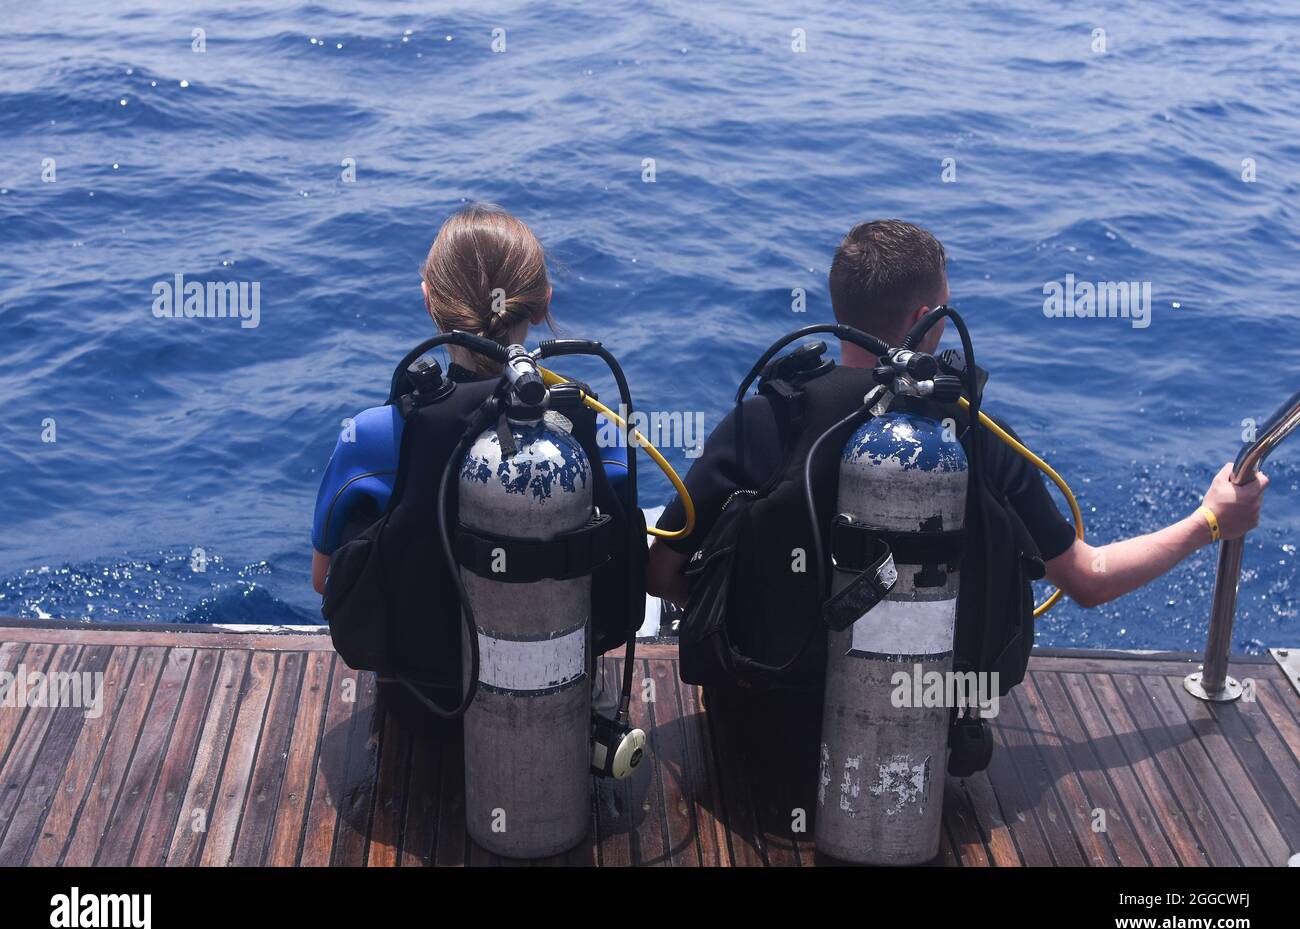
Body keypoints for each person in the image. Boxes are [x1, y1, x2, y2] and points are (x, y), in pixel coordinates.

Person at [645, 219, 1268, 800]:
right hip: (916, 753)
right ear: (927, 318)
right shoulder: (975, 436)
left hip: (760, 741)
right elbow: (1090, 578)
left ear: (838, 310)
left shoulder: (762, 421)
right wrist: (1211, 521)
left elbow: (661, 572)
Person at [311, 203, 626, 594]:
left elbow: (324, 580)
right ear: (544, 303)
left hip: (415, 653)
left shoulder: (370, 437)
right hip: (563, 648)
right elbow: (624, 569)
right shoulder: (596, 428)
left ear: (429, 302)